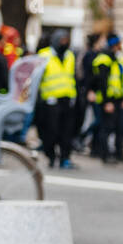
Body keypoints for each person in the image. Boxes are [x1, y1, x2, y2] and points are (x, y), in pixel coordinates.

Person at [37, 31, 78, 169]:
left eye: (66, 40)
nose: (64, 43)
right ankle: (51, 156)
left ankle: (65, 158)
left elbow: (73, 76)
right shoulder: (44, 55)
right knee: (51, 131)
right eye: (62, 40)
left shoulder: (70, 55)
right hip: (50, 101)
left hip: (67, 99)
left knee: (67, 132)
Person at [87, 34, 123, 164]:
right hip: (107, 100)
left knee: (119, 127)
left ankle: (118, 154)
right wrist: (107, 102)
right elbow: (102, 82)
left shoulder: (115, 58)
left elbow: (118, 80)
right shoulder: (104, 59)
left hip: (117, 99)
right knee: (106, 128)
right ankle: (104, 155)